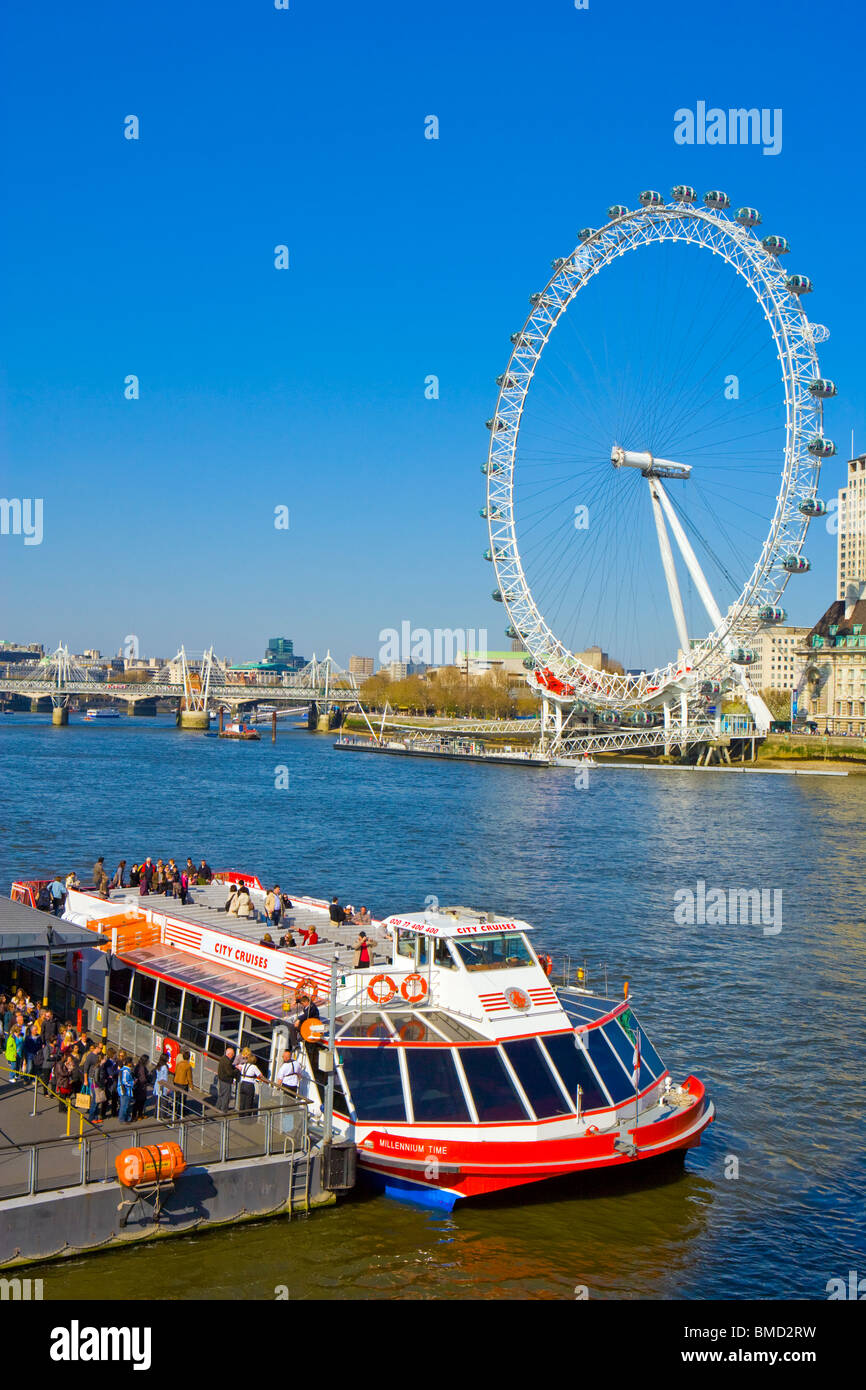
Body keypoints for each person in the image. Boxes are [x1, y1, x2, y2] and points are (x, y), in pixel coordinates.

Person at [237, 1048, 265, 1118]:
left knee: (242, 1101)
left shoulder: (244, 1065)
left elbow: (238, 1067)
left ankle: (240, 1116)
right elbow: (260, 1075)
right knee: (248, 1102)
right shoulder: (254, 1067)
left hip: (243, 1084)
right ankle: (247, 1117)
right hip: (249, 1085)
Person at [216, 1046, 240, 1112]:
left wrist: (233, 1066)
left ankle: (217, 1107)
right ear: (229, 1054)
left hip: (221, 1079)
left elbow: (228, 1067)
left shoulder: (223, 1058)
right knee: (226, 1096)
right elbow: (229, 1073)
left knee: (221, 1094)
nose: (233, 1056)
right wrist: (236, 1070)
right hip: (226, 1080)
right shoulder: (227, 1061)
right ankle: (224, 1110)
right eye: (232, 1054)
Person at [132, 1054, 152, 1120]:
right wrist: (148, 1078)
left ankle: (138, 1115)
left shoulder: (138, 1065)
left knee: (138, 1102)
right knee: (140, 1102)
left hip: (138, 1086)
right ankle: (137, 1115)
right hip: (141, 1087)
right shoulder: (142, 1068)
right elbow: (143, 1079)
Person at [173, 1049, 194, 1115]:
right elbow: (189, 1077)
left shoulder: (179, 1064)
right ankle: (180, 1112)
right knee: (182, 1099)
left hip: (176, 1082)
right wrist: (191, 1086)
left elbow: (175, 1072)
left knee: (176, 1097)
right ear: (189, 1058)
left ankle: (175, 1110)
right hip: (183, 1084)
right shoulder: (188, 1066)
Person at [117, 1052, 135, 1123]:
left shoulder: (123, 1069)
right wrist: (133, 1083)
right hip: (125, 1090)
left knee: (125, 1105)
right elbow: (125, 1082)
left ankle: (127, 1118)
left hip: (124, 1090)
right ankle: (122, 1119)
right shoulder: (126, 1071)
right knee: (124, 1106)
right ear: (129, 1063)